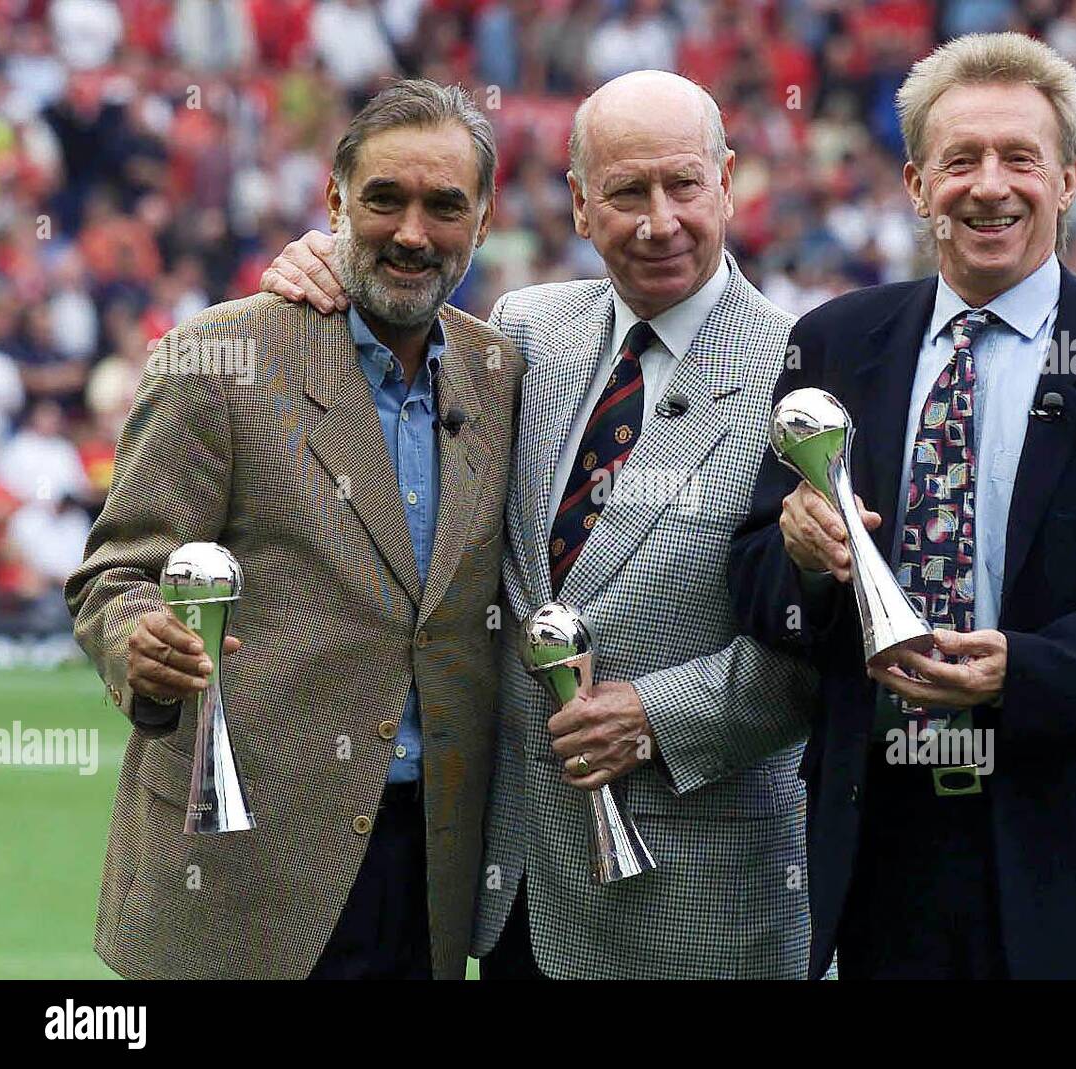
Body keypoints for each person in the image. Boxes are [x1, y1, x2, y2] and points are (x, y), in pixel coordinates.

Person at [261, 70, 816, 979]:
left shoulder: (803, 373)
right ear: (579, 203)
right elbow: (396, 294)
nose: (657, 220)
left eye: (682, 184)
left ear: (727, 180)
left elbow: (821, 650)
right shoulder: (525, 331)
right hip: (518, 894)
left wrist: (654, 715)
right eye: (626, 191)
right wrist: (319, 258)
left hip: (703, 910)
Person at [728, 32, 1076, 980]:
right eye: (960, 159)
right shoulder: (834, 346)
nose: (990, 185)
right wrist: (798, 553)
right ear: (915, 182)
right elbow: (759, 587)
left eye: (1020, 157)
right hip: (880, 848)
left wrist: (1029, 671)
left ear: (1069, 178)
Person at [65, 80, 523, 980]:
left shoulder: (503, 371)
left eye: (444, 205)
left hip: (428, 875)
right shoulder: (216, 359)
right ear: (335, 201)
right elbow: (114, 574)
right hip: (240, 870)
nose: (412, 232)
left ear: (484, 216)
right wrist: (139, 642)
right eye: (384, 199)